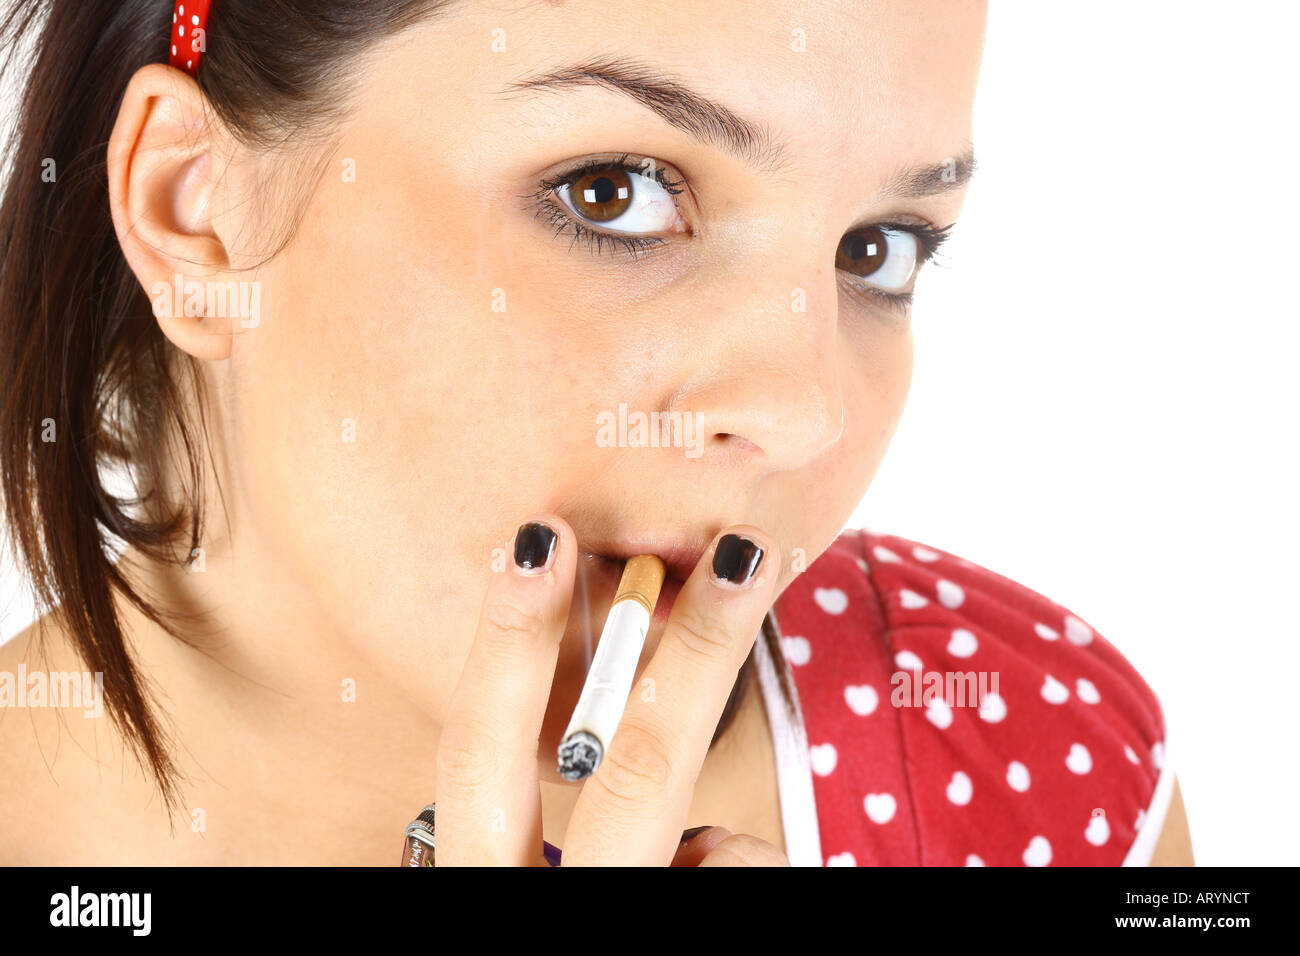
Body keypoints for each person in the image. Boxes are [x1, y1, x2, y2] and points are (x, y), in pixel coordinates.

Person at [0, 0, 1192, 866]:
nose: (799, 412)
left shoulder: (1031, 762)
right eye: (613, 190)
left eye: (877, 248)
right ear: (191, 208)